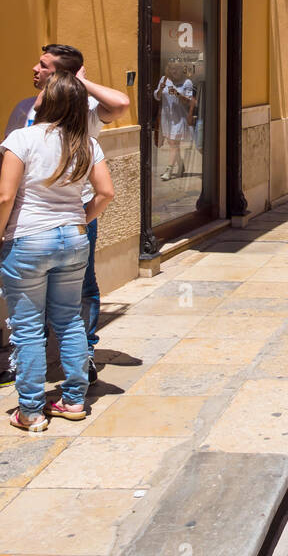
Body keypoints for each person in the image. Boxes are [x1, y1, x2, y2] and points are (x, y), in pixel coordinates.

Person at [3, 44, 128, 384]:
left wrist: (78, 83)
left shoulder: (86, 111)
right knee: (48, 308)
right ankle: (52, 378)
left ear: (61, 74)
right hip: (42, 223)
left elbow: (121, 104)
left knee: (74, 294)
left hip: (66, 218)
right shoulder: (23, 110)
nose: (35, 69)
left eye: (44, 65)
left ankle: (77, 360)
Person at [154, 60, 195, 181]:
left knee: (174, 143)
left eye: (177, 69)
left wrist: (177, 94)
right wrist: (160, 89)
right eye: (172, 69)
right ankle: (181, 165)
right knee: (172, 143)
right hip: (166, 118)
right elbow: (157, 96)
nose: (174, 71)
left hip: (179, 118)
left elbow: (188, 101)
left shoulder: (187, 82)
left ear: (182, 69)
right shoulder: (164, 79)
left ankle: (169, 170)